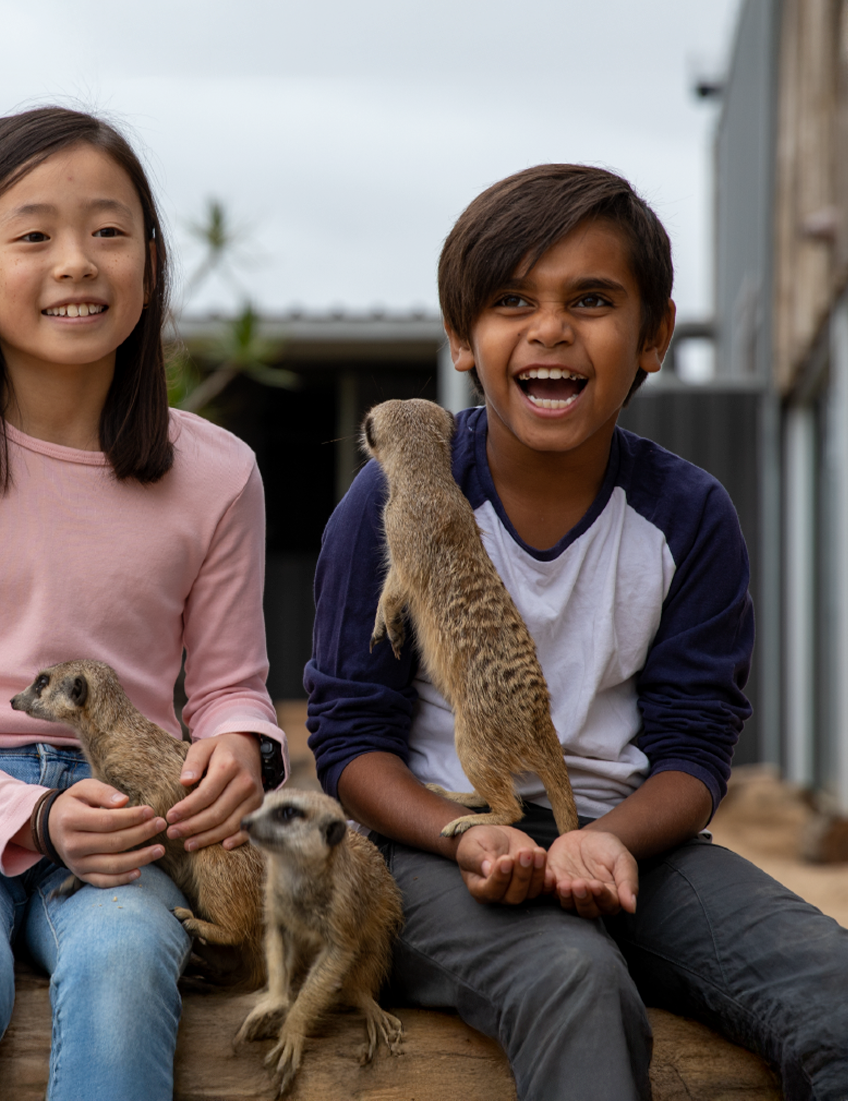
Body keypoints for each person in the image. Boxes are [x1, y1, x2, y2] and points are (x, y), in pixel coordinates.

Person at [305, 164, 848, 1101]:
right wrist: (464, 834)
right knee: (574, 981)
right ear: (462, 338)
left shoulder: (689, 513)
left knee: (829, 986)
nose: (551, 328)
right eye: (513, 300)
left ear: (655, 336)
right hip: (436, 849)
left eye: (592, 300)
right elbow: (350, 740)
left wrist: (608, 843)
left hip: (634, 844)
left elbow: (695, 750)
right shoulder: (390, 497)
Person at [0, 107, 288, 1101]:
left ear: (151, 264)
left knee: (126, 962)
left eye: (109, 231)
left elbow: (230, 687)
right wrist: (33, 814)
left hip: (128, 808)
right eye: (34, 234)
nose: (78, 261)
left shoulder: (217, 474)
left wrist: (241, 747)